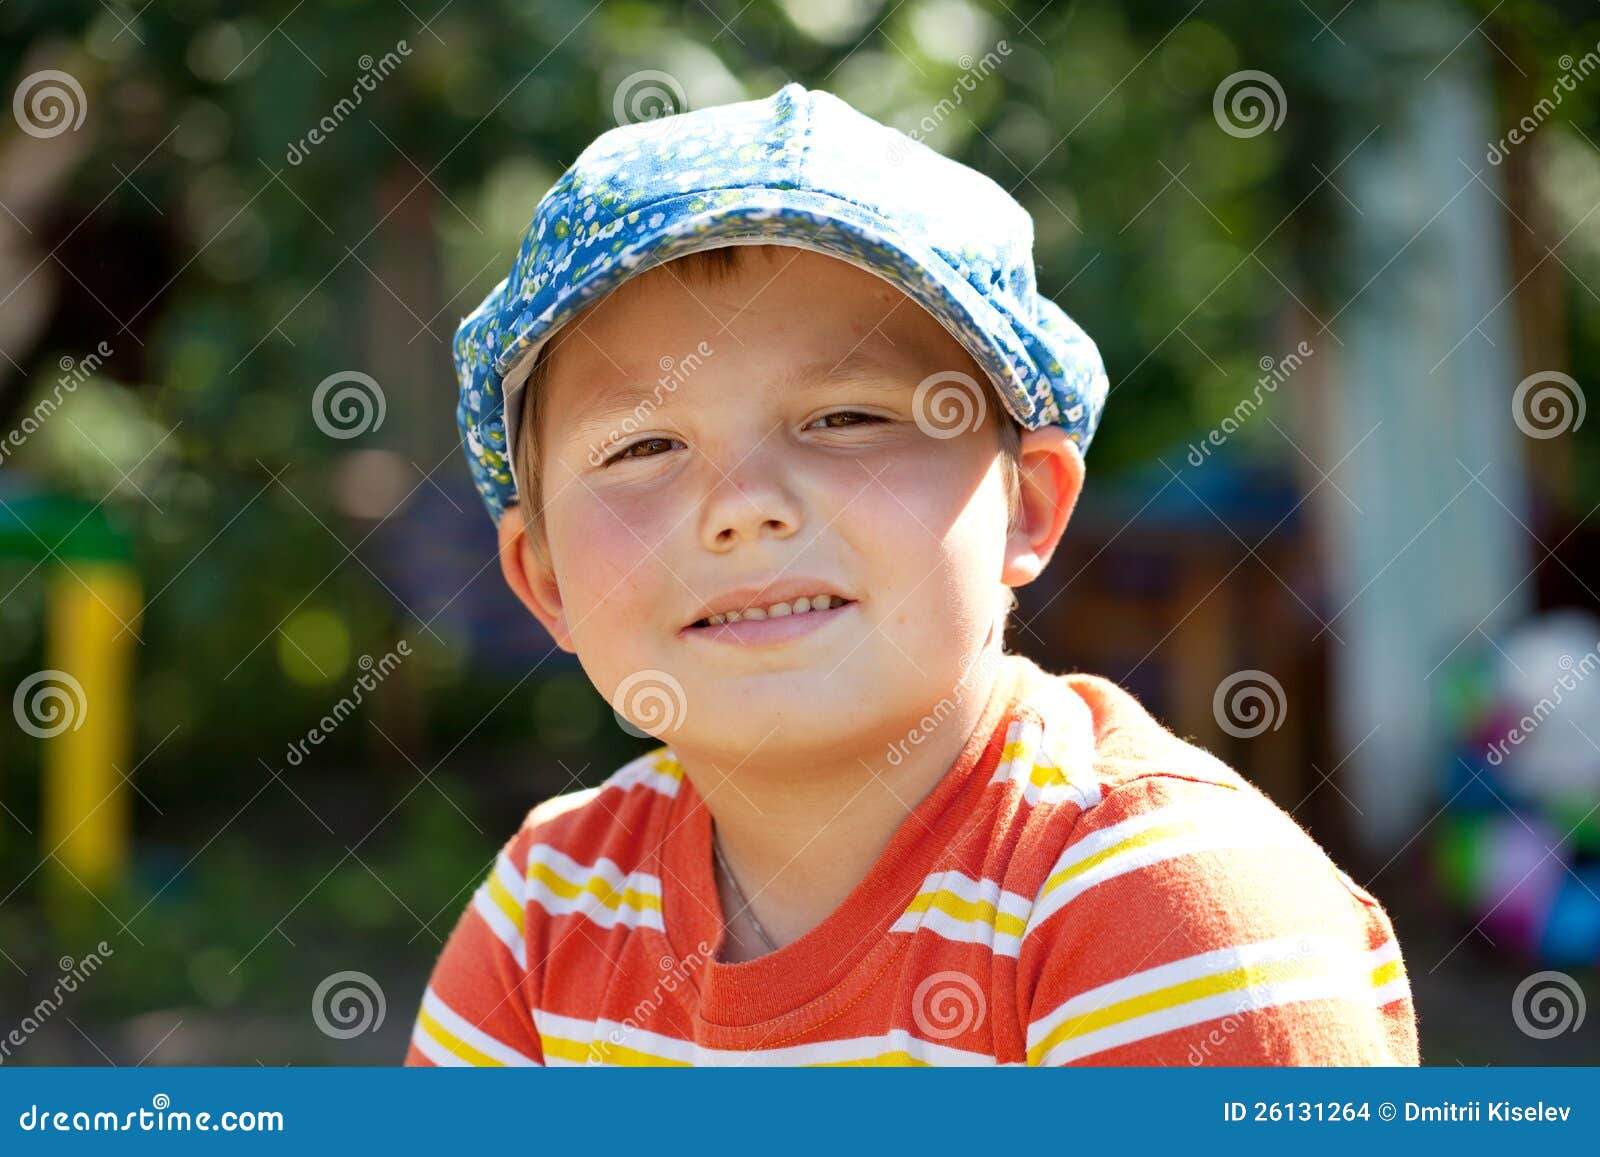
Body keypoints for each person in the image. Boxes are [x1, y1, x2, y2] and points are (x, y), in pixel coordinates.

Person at [405, 82, 1419, 1066]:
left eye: (846, 417)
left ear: (1026, 504)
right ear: (546, 580)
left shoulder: (1172, 916)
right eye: (641, 446)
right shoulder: (544, 919)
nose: (743, 503)